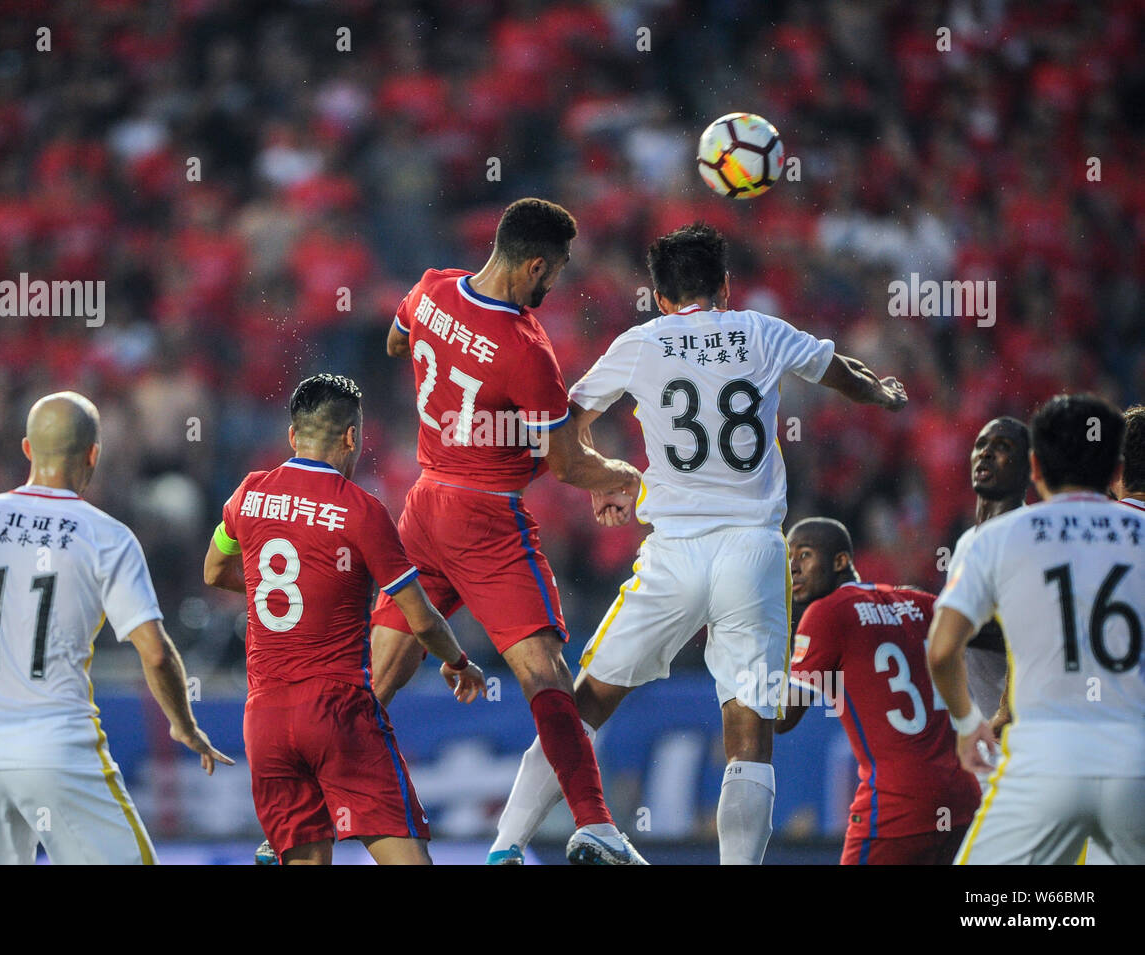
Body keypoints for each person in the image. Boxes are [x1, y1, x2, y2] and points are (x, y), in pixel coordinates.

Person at [488, 222, 908, 865]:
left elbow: (567, 422)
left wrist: (604, 479)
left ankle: (505, 847)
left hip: (673, 551)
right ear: (725, 287)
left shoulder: (640, 343)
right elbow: (839, 371)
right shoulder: (762, 331)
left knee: (583, 707)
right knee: (749, 728)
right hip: (754, 550)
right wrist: (881, 392)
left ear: (659, 296)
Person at [368, 197, 648, 865]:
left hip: (423, 503)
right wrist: (624, 477)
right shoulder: (525, 347)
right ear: (532, 265)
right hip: (485, 518)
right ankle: (596, 823)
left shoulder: (432, 287)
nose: (552, 288)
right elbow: (566, 462)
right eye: (553, 274)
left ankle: (297, 817)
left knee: (375, 683)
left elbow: (396, 340)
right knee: (544, 670)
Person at [0, 392, 230, 865]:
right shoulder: (106, 536)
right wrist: (184, 725)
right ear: (93, 455)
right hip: (58, 749)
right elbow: (157, 653)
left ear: (27, 449)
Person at [204, 374, 486, 865]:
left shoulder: (246, 495)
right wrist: (460, 662)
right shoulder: (361, 510)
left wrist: (300, 596)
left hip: (265, 719)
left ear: (293, 436)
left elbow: (214, 571)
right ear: (352, 437)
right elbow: (420, 619)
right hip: (339, 714)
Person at [929, 393, 1145, 864]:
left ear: (1036, 470)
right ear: (1108, 469)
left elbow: (942, 650)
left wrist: (971, 726)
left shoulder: (1005, 536)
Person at [776, 518, 980, 864]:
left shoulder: (826, 614)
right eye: (788, 558)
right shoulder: (921, 602)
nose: (793, 568)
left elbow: (781, 718)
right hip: (962, 799)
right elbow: (995, 638)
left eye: (805, 555)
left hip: (896, 806)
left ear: (841, 561)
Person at [944, 418, 1030, 743]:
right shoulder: (966, 541)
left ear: (1027, 467)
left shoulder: (1027, 534)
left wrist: (950, 623)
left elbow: (1029, 631)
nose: (986, 454)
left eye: (1003, 447)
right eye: (981, 445)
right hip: (986, 729)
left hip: (1023, 730)